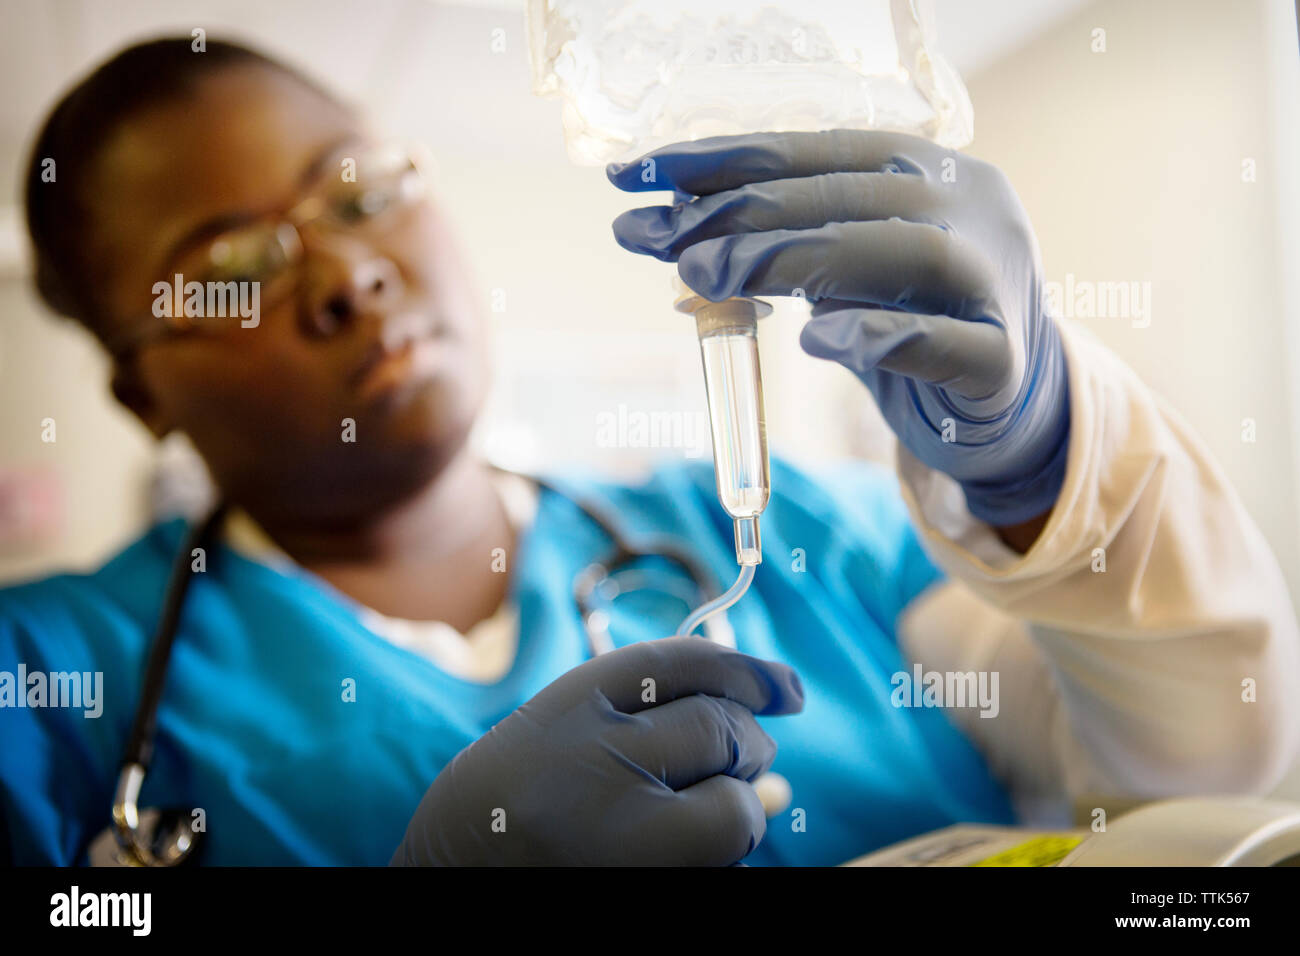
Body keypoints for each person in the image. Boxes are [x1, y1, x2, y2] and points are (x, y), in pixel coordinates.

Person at [1, 37, 1296, 867]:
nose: (345, 273)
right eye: (228, 268)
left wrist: (1039, 459)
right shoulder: (49, 680)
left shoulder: (809, 541)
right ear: (135, 387)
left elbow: (1194, 781)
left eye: (356, 189)